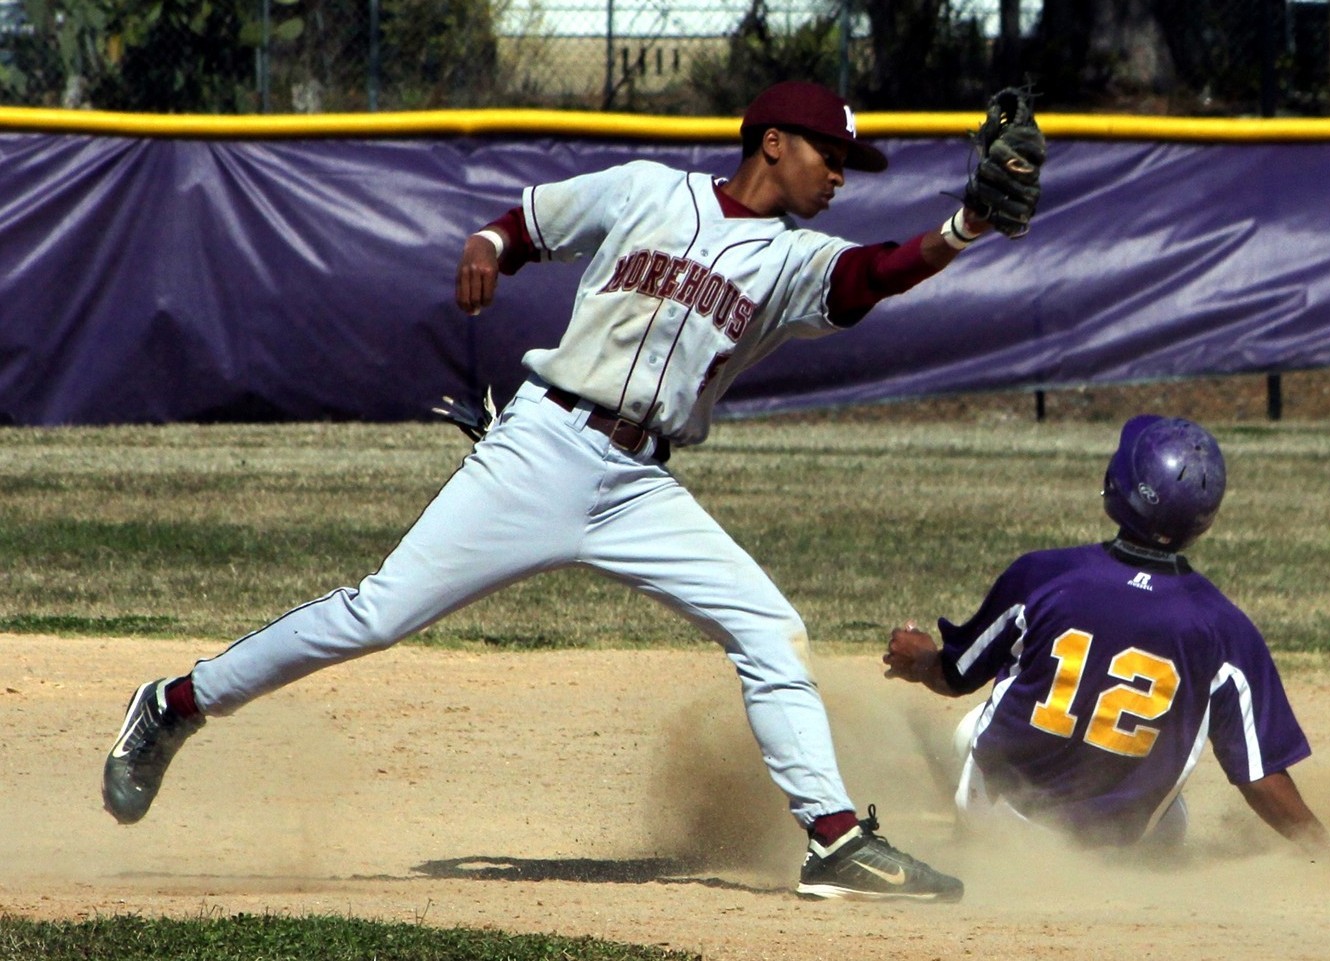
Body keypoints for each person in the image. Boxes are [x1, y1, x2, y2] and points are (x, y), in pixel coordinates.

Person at [103, 80, 1031, 903]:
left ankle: (833, 842)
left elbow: (874, 272)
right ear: (774, 143)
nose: (838, 175)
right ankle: (177, 702)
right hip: (542, 446)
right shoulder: (647, 190)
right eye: (830, 154)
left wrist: (963, 228)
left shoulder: (793, 259)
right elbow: (526, 224)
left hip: (639, 483)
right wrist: (485, 242)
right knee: (377, 612)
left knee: (768, 625)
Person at [883, 415, 1329, 853]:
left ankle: (973, 845)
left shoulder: (1042, 574)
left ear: (1115, 486)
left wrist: (921, 659)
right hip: (1114, 852)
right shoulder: (1224, 628)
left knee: (970, 729)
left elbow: (953, 677)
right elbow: (1261, 778)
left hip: (1000, 823)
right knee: (1172, 812)